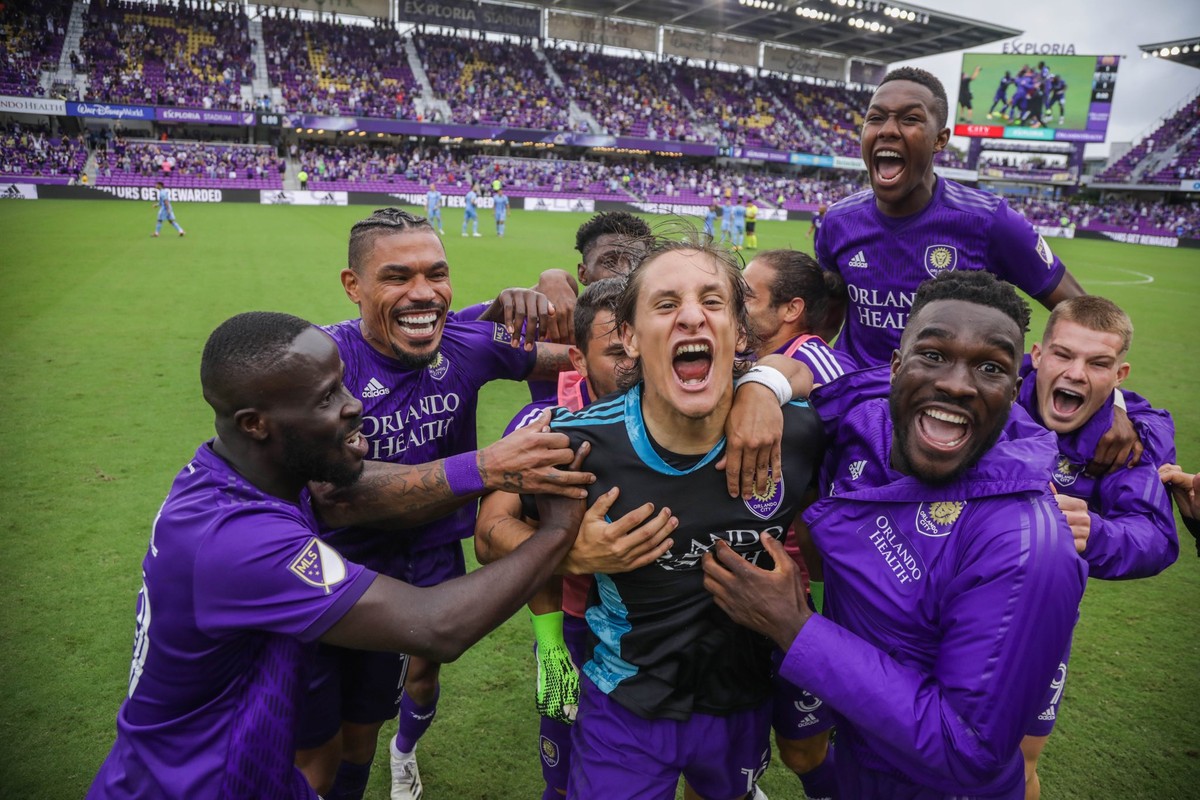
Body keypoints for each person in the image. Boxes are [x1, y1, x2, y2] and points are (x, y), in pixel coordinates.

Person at [86, 311, 588, 800]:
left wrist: (484, 467)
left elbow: (346, 492)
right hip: (188, 786)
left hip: (256, 774)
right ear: (256, 423)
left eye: (344, 386)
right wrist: (558, 529)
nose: (355, 406)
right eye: (327, 398)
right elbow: (437, 626)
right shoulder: (236, 541)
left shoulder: (240, 476)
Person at [704, 270, 1088, 800]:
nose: (956, 382)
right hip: (862, 759)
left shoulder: (1025, 544)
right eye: (933, 355)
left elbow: (967, 747)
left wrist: (795, 628)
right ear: (894, 368)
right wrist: (759, 389)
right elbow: (802, 375)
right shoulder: (868, 419)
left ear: (1014, 392)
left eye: (990, 367)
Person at [293, 208, 578, 800]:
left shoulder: (466, 343)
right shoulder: (326, 362)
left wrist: (554, 283)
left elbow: (587, 356)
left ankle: (405, 751)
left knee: (404, 690)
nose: (423, 293)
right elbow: (335, 494)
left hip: (432, 551)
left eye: (437, 274)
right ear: (354, 287)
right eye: (397, 277)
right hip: (341, 564)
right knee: (321, 742)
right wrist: (488, 466)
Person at [546, 235, 825, 800]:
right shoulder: (578, 443)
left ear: (740, 332)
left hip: (742, 700)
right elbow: (493, 527)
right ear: (628, 335)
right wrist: (566, 551)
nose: (692, 316)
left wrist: (770, 384)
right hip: (626, 701)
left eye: (713, 301)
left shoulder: (800, 435)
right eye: (666, 304)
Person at [475, 278, 678, 800]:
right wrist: (570, 555)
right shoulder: (547, 424)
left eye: (642, 347)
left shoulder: (686, 410)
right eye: (615, 352)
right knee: (562, 779)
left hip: (672, 627)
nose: (635, 365)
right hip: (575, 628)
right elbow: (489, 532)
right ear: (577, 359)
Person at [1015, 296, 1179, 800]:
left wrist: (1097, 533)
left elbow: (1154, 535)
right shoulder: (987, 384)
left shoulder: (1127, 442)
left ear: (1120, 373)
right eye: (1064, 355)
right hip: (936, 597)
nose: (1077, 373)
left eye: (1099, 363)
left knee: (1018, 762)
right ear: (1037, 355)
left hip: (1037, 621)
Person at [816, 66, 1086, 370]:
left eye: (910, 119)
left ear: (940, 139)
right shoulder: (838, 222)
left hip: (944, 401)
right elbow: (824, 325)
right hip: (855, 401)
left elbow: (1081, 314)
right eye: (875, 118)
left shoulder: (990, 221)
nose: (887, 130)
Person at [742, 249, 858, 800]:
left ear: (791, 309)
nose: (737, 306)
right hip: (743, 583)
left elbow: (808, 375)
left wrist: (763, 383)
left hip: (808, 596)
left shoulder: (820, 360)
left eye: (748, 295)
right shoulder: (742, 353)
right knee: (726, 743)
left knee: (803, 749)